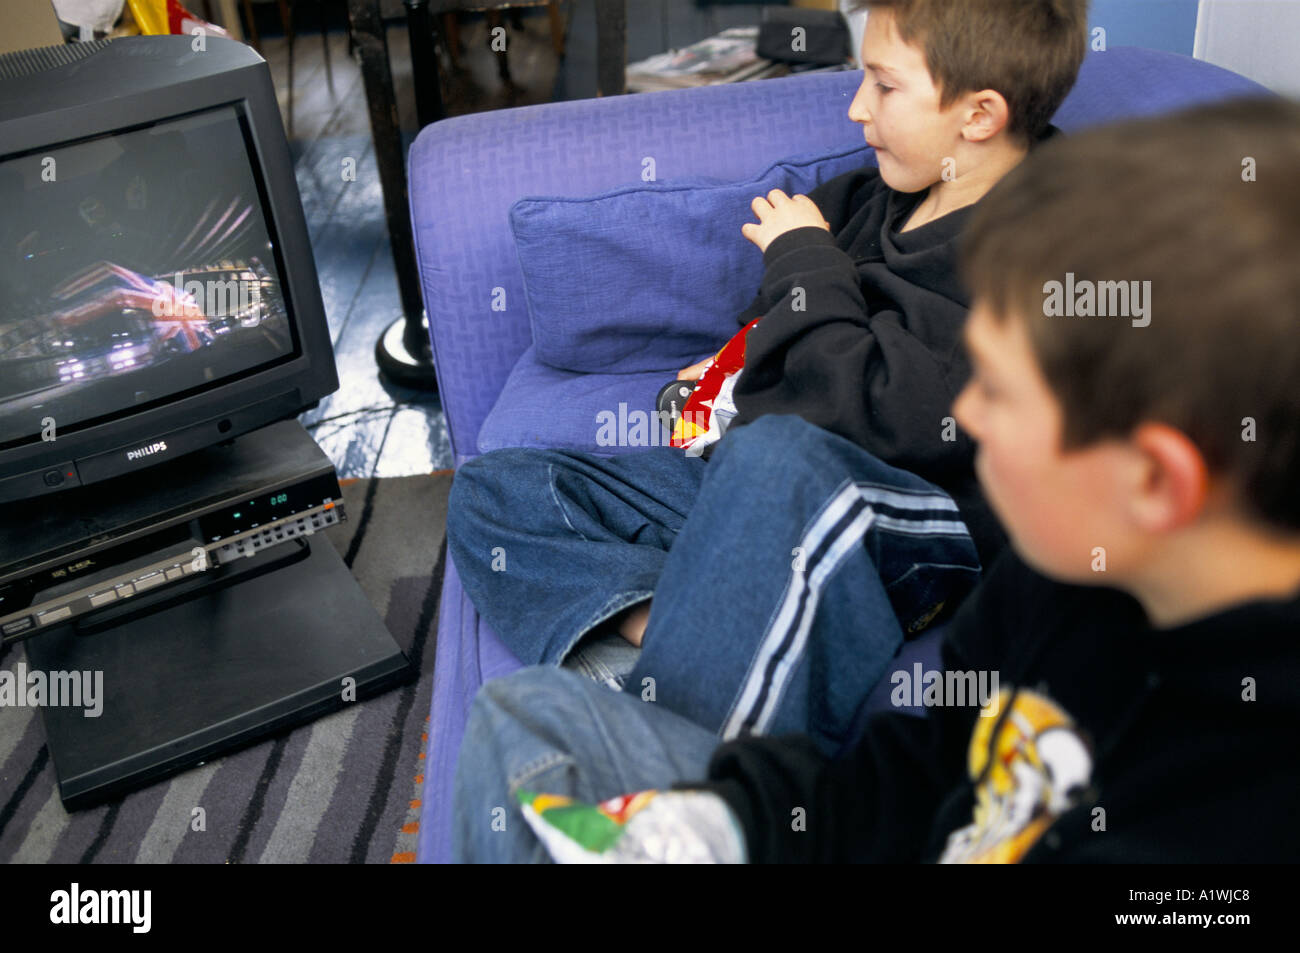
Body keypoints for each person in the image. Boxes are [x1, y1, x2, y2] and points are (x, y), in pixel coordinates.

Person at [454, 96, 1300, 863]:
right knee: (523, 720)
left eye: (999, 392)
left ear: (1154, 478)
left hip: (840, 489)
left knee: (774, 462)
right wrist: (734, 818)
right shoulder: (1060, 578)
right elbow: (920, 774)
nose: (965, 411)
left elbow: (875, 410)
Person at [446, 1, 1089, 700]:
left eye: (882, 84)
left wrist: (805, 258)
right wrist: (736, 362)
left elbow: (882, 414)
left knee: (774, 460)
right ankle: (659, 626)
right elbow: (782, 319)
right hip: (766, 480)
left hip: (910, 514)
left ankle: (702, 696)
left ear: (978, 115)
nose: (855, 108)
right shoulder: (882, 196)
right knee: (494, 489)